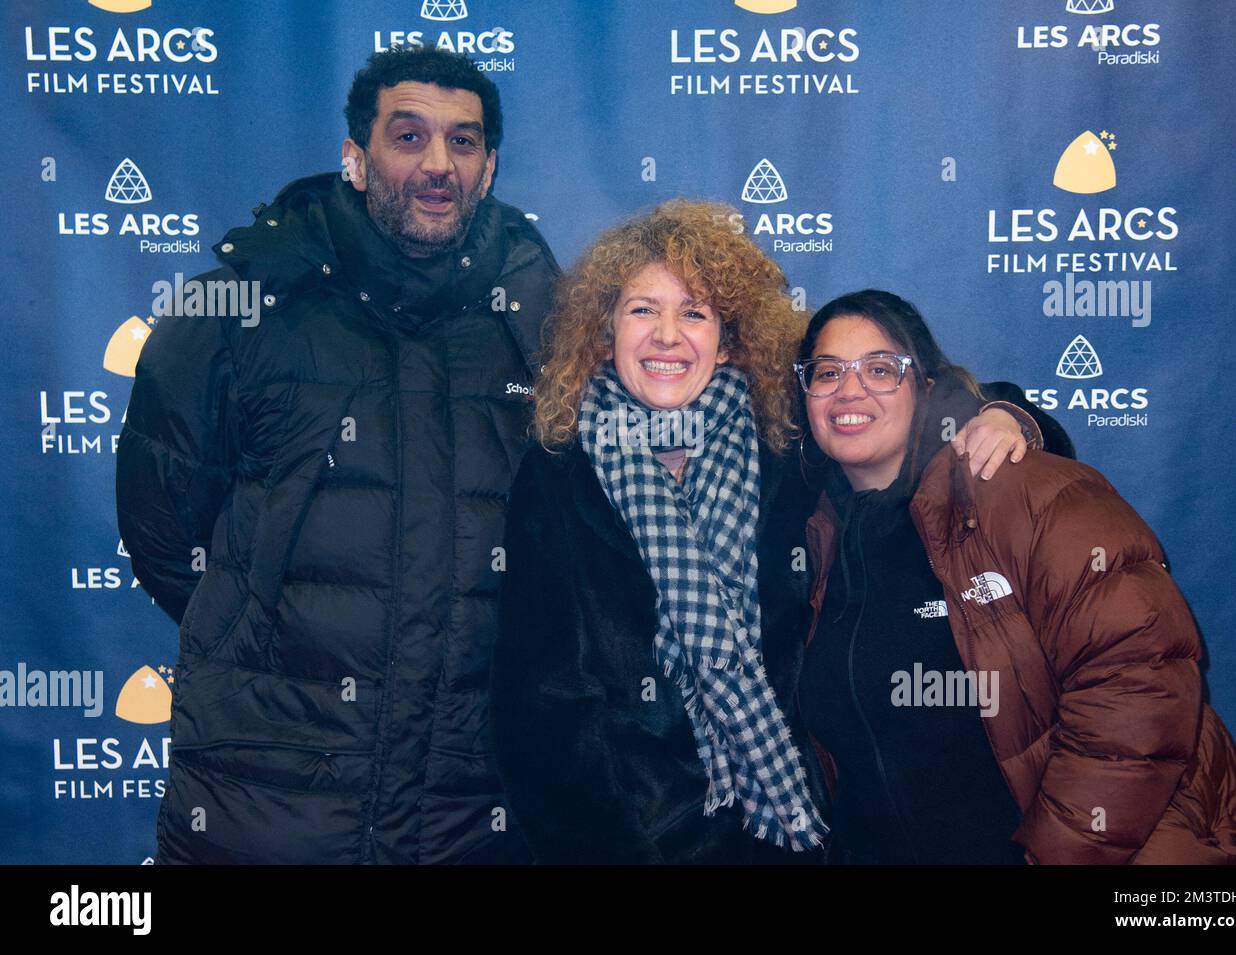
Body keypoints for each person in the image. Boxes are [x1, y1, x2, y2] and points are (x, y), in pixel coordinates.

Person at [488, 201, 1052, 863]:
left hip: (785, 837)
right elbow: (539, 710)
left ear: (727, 339)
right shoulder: (558, 474)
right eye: (643, 310)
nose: (667, 335)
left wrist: (1007, 416)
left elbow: (911, 419)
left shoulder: (784, 450)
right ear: (604, 331)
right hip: (628, 842)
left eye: (694, 312)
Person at [116, 45, 558, 864]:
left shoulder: (540, 316)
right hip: (267, 799)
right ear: (356, 158)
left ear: (490, 168)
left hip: (465, 809)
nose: (438, 164)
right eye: (409, 136)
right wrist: (272, 645)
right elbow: (160, 531)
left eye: (463, 143)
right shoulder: (240, 305)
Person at [795, 289, 1236, 864]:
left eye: (880, 368)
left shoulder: (1021, 490)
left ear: (926, 386)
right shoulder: (816, 533)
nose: (850, 390)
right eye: (826, 372)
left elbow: (1136, 688)